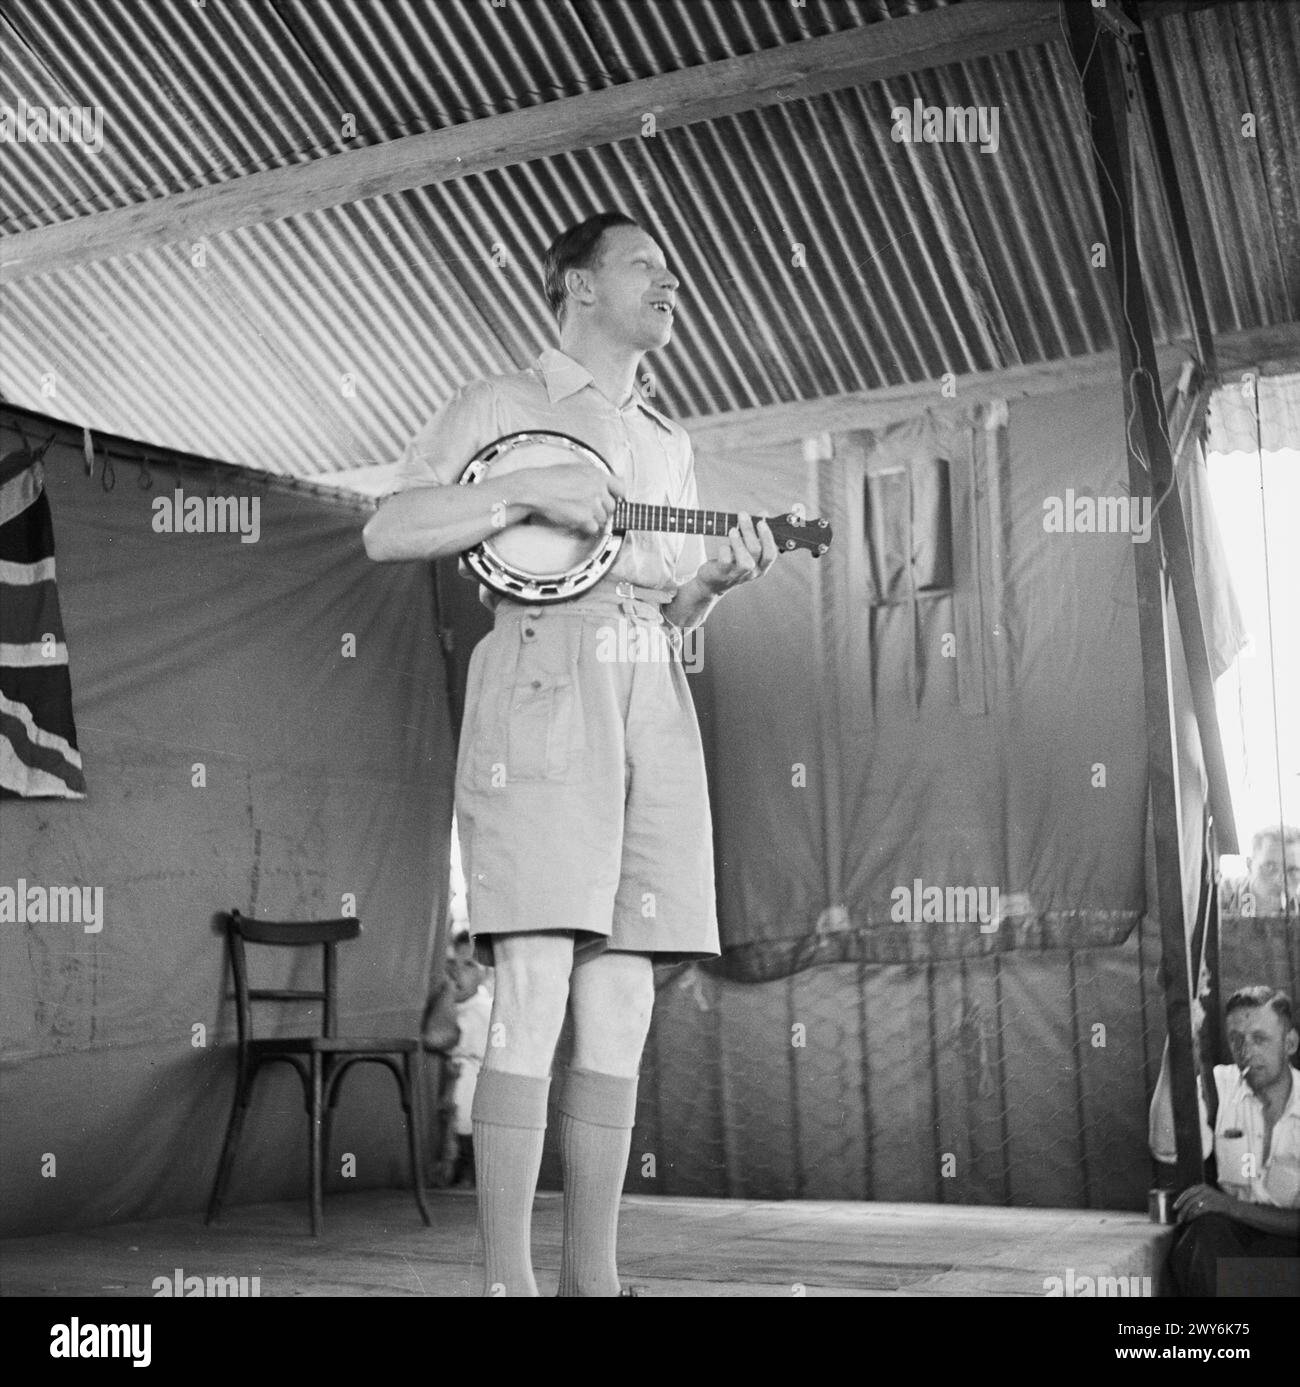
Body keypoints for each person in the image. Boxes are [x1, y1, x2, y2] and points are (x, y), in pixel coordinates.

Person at [363, 211, 777, 1295]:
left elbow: (673, 603)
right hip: (544, 674)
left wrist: (714, 586)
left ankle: (592, 1280)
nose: (670, 279)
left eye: (673, 267)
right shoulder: (502, 404)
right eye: (646, 263)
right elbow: (388, 527)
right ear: (577, 285)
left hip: (654, 683)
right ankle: (508, 1283)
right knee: (537, 975)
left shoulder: (670, 441)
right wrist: (517, 492)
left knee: (624, 993)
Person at [1148, 985, 1300, 1295]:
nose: (1246, 1051)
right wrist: (1176, 1050)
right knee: (1203, 1233)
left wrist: (1228, 1205)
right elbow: (1166, 1147)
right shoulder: (1220, 1085)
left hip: (1290, 1247)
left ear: (1290, 1043)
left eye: (1259, 1039)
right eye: (1236, 1039)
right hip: (1233, 1246)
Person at [1219, 823, 1300, 917]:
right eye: (1270, 867)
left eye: (1292, 870)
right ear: (1249, 866)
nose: (1280, 880)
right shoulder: (1219, 896)